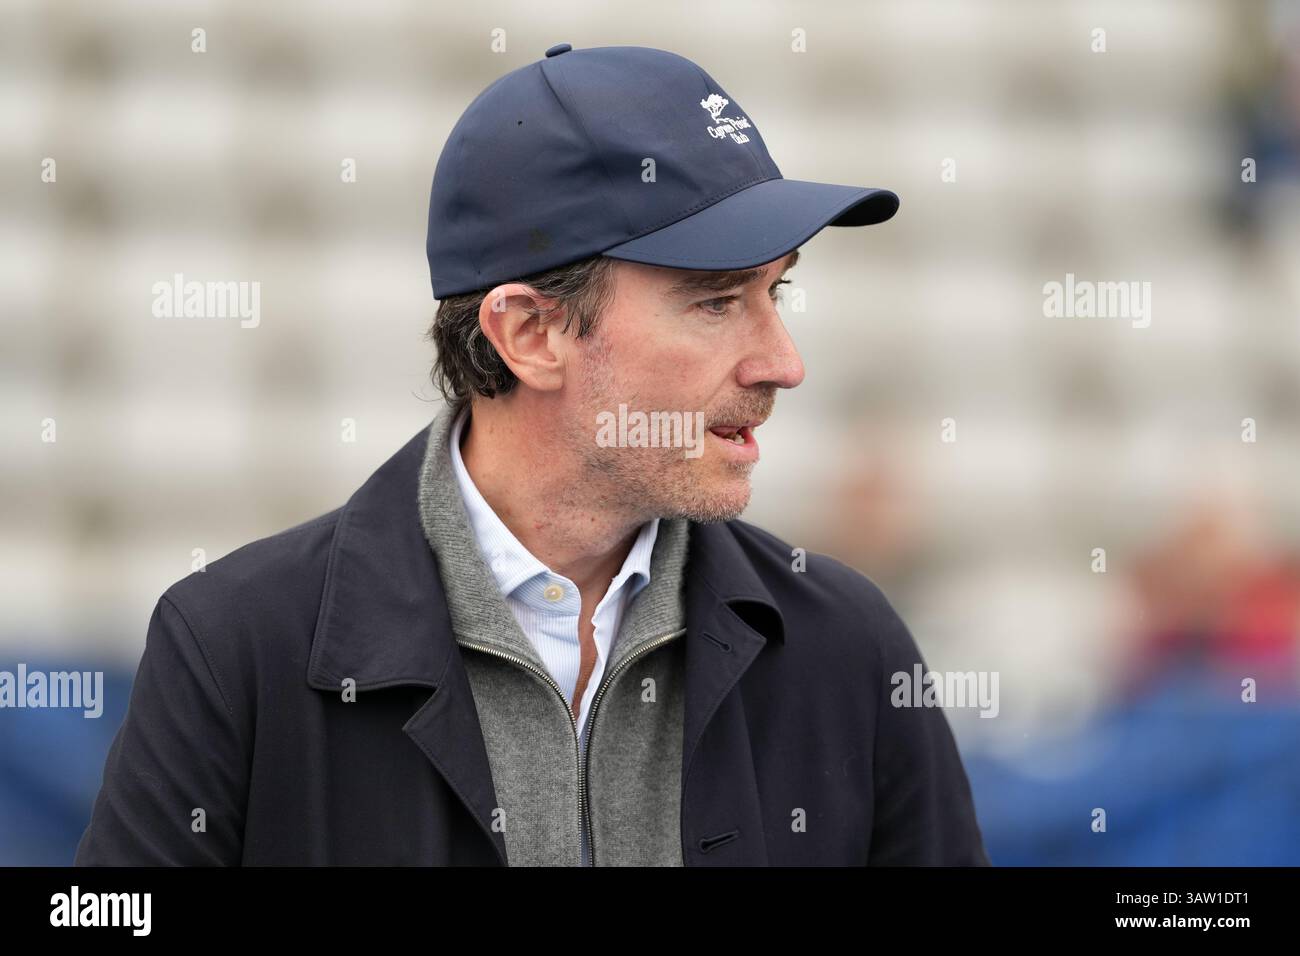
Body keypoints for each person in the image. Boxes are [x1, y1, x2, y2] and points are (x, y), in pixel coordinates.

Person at [75, 42, 989, 866]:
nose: (783, 363)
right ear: (530, 332)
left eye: (776, 292)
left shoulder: (847, 650)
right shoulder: (237, 648)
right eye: (716, 302)